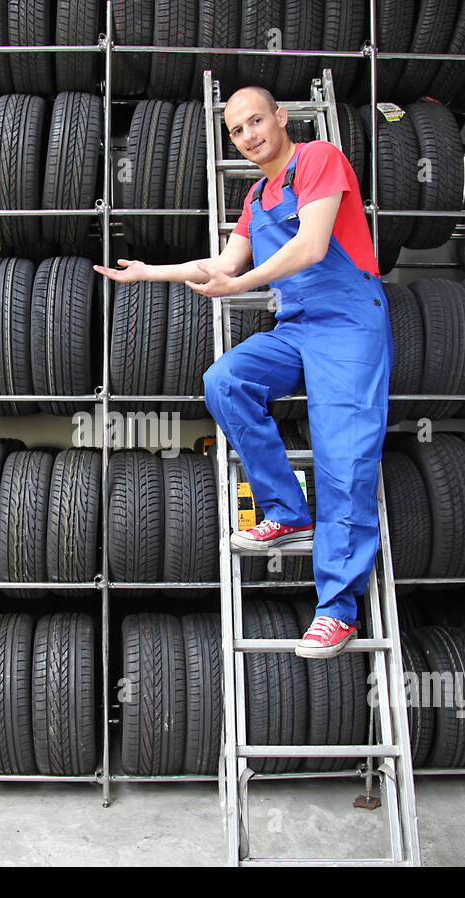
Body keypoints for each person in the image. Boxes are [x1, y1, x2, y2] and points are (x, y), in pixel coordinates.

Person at [94, 85, 394, 659]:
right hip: (299, 327)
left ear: (281, 118)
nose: (249, 135)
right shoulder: (256, 198)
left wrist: (241, 286)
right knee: (225, 381)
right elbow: (224, 263)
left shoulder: (319, 160)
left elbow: (310, 246)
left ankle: (337, 609)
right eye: (236, 130)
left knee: (344, 458)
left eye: (256, 121)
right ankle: (286, 511)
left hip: (350, 324)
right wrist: (149, 273)